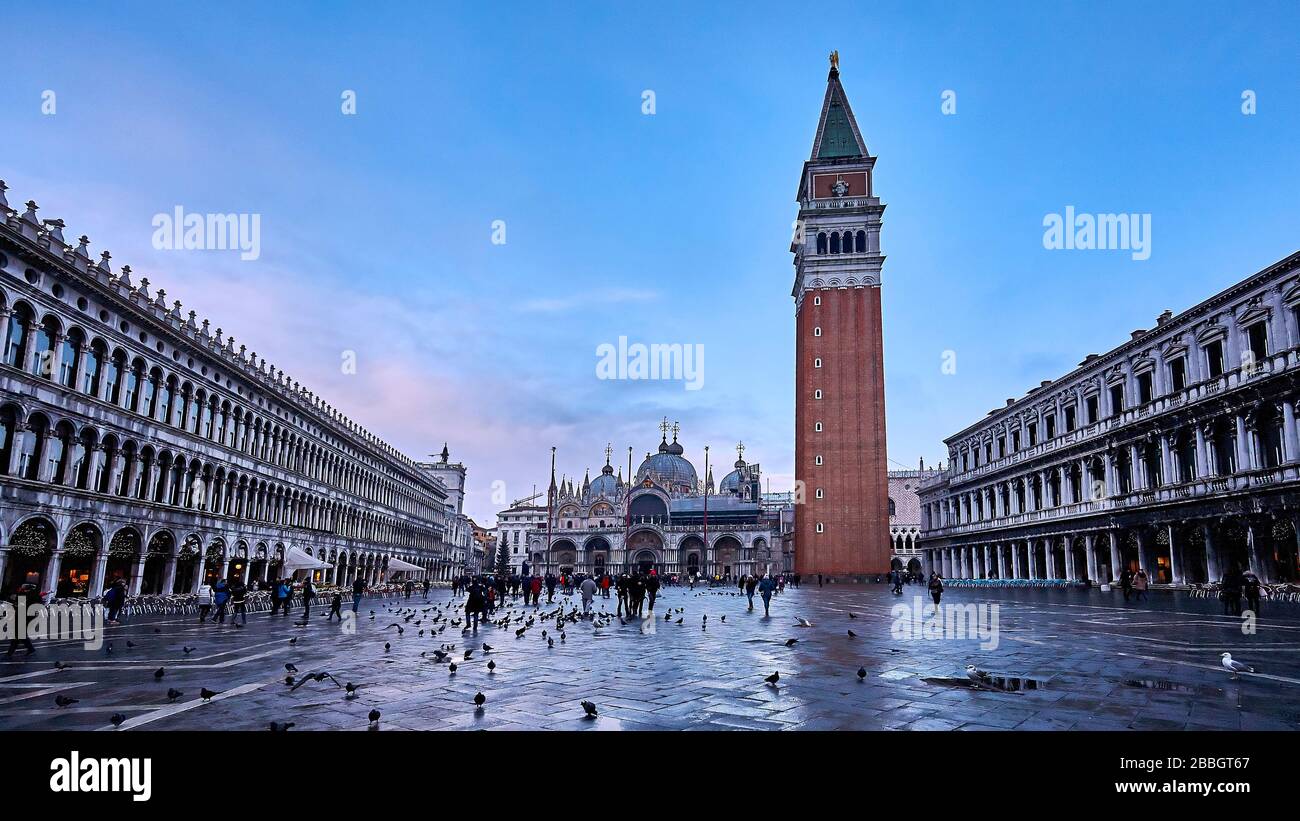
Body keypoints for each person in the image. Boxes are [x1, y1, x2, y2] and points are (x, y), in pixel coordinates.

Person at [6, 582, 39, 656]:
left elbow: (23, 605)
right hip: (24, 616)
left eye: (24, 589)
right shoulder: (32, 595)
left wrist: (16, 605)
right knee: (20, 634)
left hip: (24, 616)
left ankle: (11, 651)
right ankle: (30, 649)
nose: (23, 590)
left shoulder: (29, 596)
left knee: (18, 633)